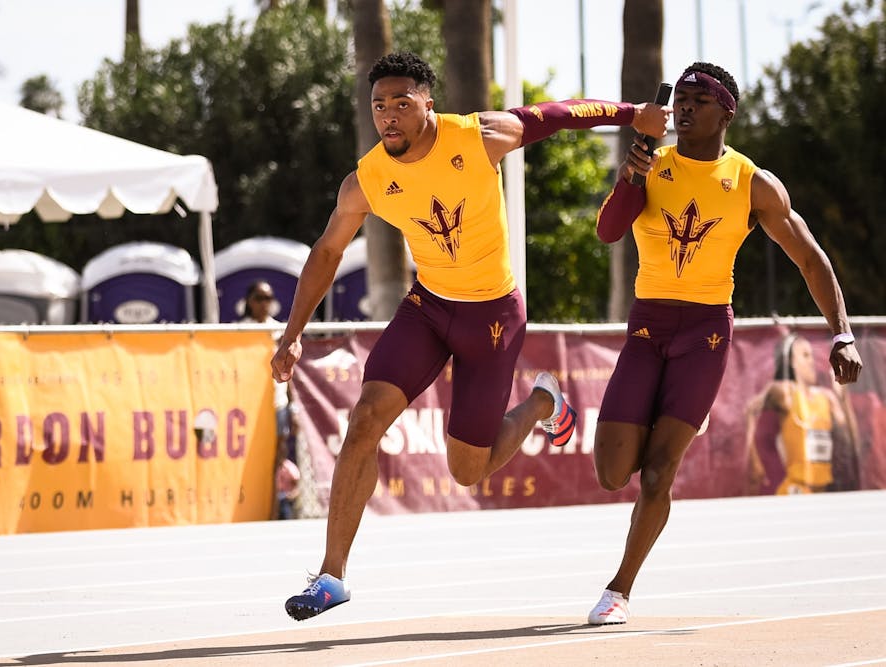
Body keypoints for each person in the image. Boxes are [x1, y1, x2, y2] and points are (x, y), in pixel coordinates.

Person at [270, 51, 670, 621]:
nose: (389, 117)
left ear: (428, 102)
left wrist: (633, 113)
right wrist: (292, 334)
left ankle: (540, 403)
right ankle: (332, 575)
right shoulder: (368, 178)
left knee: (467, 471)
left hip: (492, 316)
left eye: (402, 104)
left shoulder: (480, 136)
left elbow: (555, 114)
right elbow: (327, 251)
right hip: (429, 308)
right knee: (364, 420)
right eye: (380, 106)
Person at [590, 62, 863, 625]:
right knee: (614, 473)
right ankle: (648, 414)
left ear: (726, 113)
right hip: (647, 326)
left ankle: (619, 589)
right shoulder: (651, 162)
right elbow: (608, 231)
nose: (684, 108)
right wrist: (628, 178)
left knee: (659, 473)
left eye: (698, 99)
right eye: (680, 98)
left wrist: (841, 332)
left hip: (707, 331)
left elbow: (811, 259)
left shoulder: (753, 183)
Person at [745, 333, 860, 495]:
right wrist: (754, 461)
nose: (811, 361)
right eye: (805, 356)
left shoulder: (827, 397)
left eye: (812, 356)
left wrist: (844, 398)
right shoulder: (785, 392)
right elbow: (750, 410)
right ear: (791, 362)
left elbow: (852, 441)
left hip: (824, 492)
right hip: (795, 491)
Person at [241, 280, 299, 518]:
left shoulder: (279, 330)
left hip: (277, 404)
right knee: (253, 458)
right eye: (259, 298)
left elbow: (289, 372)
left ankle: (278, 508)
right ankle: (255, 505)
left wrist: (293, 406)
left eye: (268, 298)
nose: (264, 303)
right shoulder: (240, 330)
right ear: (249, 301)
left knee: (279, 456)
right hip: (250, 406)